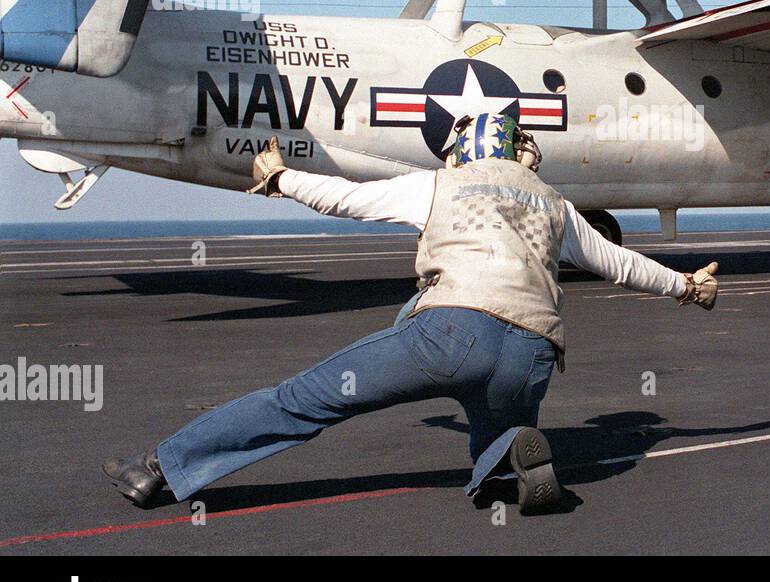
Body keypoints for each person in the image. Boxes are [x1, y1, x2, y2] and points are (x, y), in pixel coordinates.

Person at [103, 113, 718, 515]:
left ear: (459, 151)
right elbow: (619, 262)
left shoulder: (438, 184)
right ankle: (507, 453)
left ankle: (162, 465)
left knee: (303, 400)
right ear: (521, 150)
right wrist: (688, 286)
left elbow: (346, 198)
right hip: (531, 353)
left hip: (451, 333)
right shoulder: (555, 203)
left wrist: (281, 177)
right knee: (491, 423)